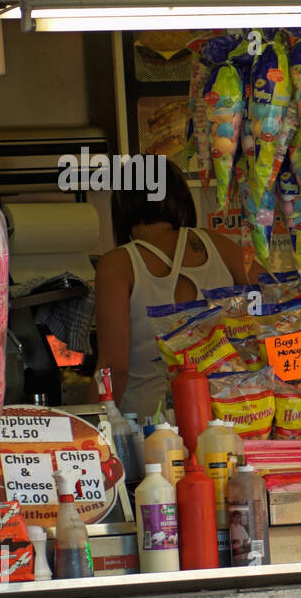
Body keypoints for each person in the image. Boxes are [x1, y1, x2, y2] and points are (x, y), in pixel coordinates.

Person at [94, 159, 264, 416]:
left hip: (150, 421)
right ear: (180, 199)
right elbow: (278, 304)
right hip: (227, 412)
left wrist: (89, 425)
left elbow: (114, 368)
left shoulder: (116, 265)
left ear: (122, 205)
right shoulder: (219, 246)